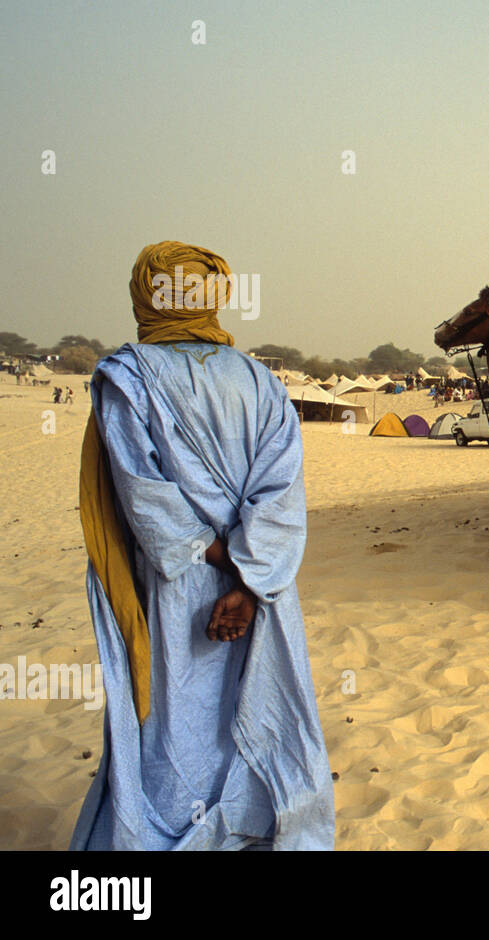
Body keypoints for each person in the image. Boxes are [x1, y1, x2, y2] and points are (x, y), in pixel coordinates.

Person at [72, 240, 333, 850]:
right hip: (264, 583)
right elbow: (282, 495)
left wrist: (218, 562)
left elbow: (147, 500)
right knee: (262, 704)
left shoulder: (128, 377)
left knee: (174, 718)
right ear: (215, 295)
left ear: (145, 294)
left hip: (175, 584)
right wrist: (247, 580)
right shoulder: (262, 382)